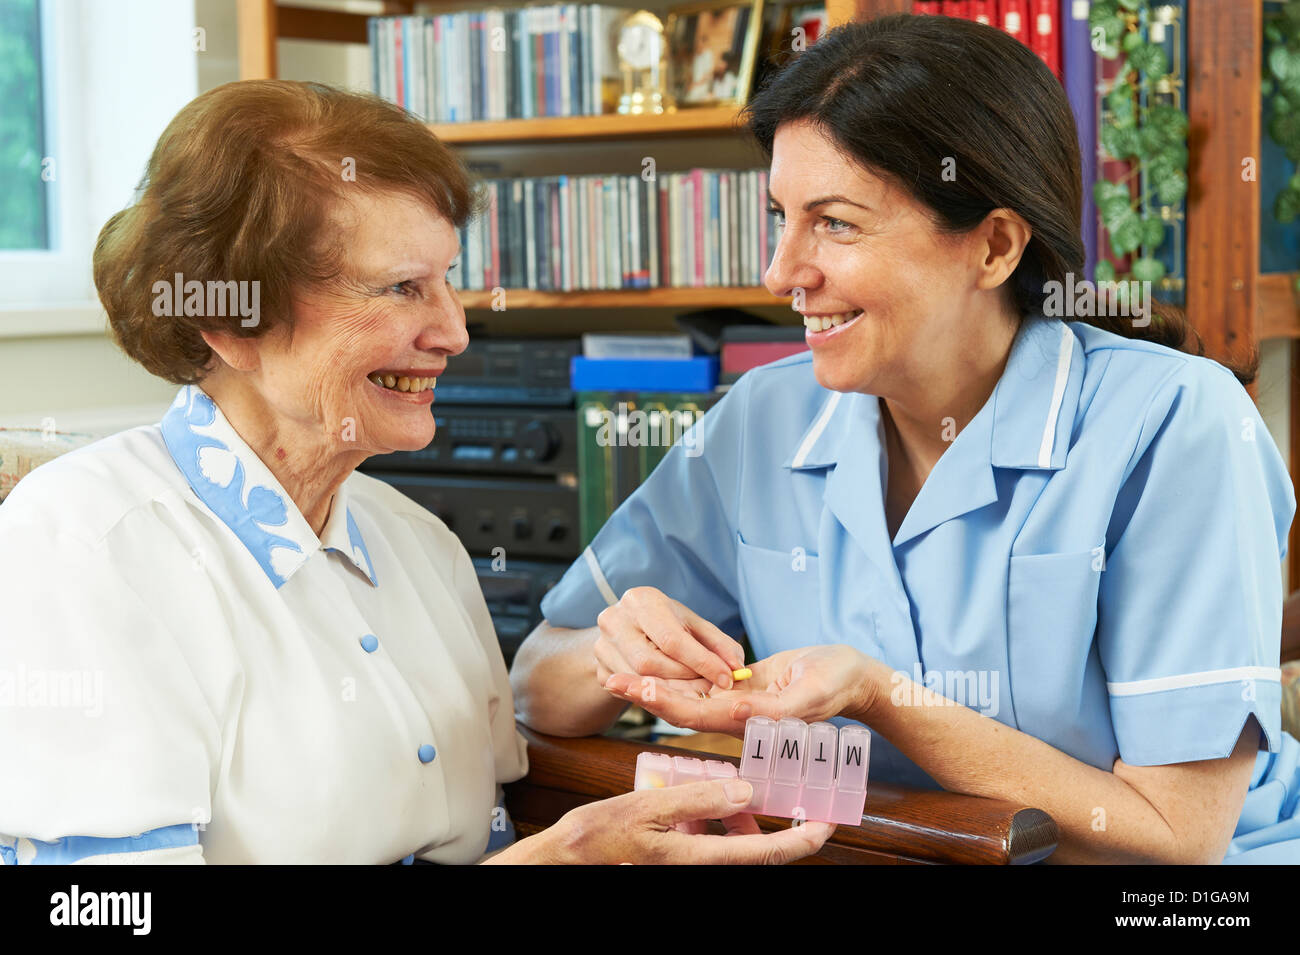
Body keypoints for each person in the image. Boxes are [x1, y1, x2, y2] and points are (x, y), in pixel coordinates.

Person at [510, 15, 1300, 864]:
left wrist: (884, 698)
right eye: (782, 216)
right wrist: (616, 652)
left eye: (836, 224)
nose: (781, 273)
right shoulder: (761, 420)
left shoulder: (1175, 422)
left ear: (993, 245)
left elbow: (1175, 838)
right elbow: (535, 683)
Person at [0, 80, 831, 866]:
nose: (453, 331)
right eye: (401, 287)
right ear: (229, 320)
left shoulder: (419, 543)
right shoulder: (84, 545)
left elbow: (501, 826)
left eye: (448, 280)